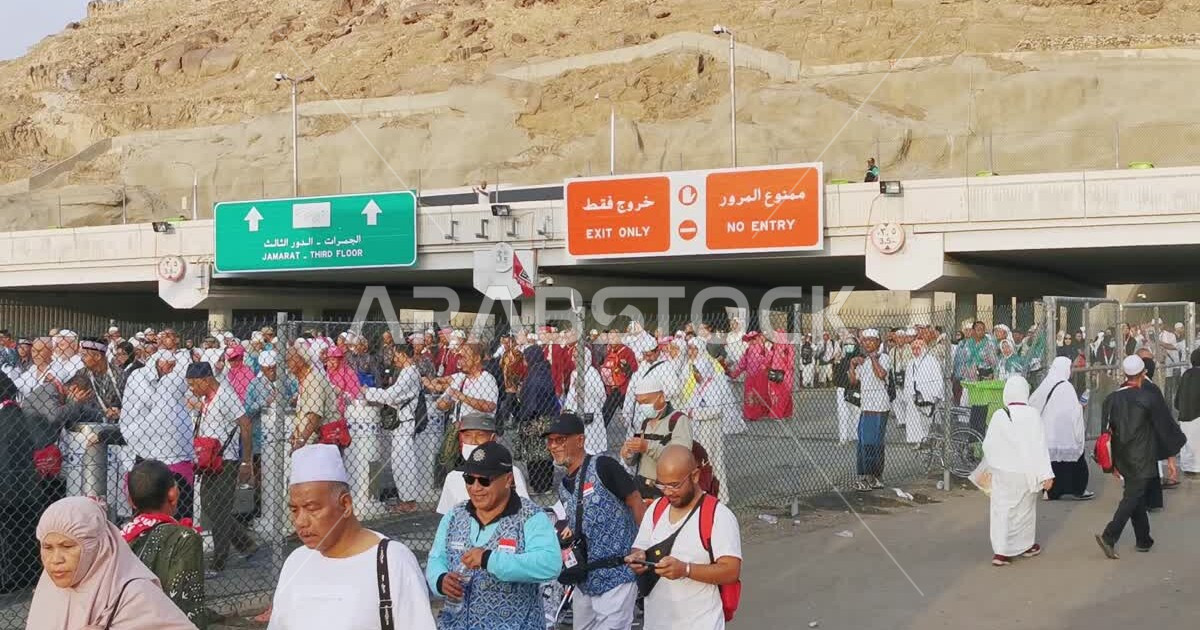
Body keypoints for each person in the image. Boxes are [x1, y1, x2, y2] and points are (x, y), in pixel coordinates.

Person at [268, 445, 436, 630]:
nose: (300, 521)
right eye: (294, 510)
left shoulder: (390, 560)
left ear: (345, 504)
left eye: (312, 508)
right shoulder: (296, 562)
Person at [426, 442, 561, 630]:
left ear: (508, 480)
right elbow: (436, 558)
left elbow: (550, 564)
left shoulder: (530, 516)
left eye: (484, 481)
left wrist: (490, 559)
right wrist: (440, 580)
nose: (475, 487)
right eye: (469, 479)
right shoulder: (455, 515)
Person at [26, 497, 196, 630]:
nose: (55, 559)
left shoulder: (134, 595)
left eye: (68, 546)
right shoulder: (49, 590)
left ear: (96, 547)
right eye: (47, 547)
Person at [625, 445, 742, 630]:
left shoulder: (718, 516)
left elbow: (731, 571)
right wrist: (639, 558)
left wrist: (685, 570)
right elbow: (640, 546)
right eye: (661, 484)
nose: (667, 491)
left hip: (701, 623)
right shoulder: (656, 509)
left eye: (674, 485)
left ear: (694, 476)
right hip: (656, 622)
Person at [545, 413, 644, 629]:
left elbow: (635, 500)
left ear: (580, 440)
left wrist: (643, 545)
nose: (553, 446)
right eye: (550, 441)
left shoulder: (603, 466)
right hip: (585, 579)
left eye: (560, 440)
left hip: (616, 574)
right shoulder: (563, 486)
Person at [1095, 356, 1186, 559]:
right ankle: (1110, 535)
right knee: (1133, 496)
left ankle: (1143, 539)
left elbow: (1105, 432)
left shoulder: (1111, 399)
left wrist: (1111, 463)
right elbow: (1165, 429)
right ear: (1143, 374)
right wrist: (1171, 460)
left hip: (1121, 457)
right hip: (1143, 457)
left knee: (1134, 494)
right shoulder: (1149, 398)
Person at [185, 361, 257, 576]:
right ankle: (245, 544)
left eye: (193, 384)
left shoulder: (226, 395)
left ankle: (219, 561)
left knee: (221, 507)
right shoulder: (207, 399)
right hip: (209, 459)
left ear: (206, 380)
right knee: (209, 504)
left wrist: (246, 461)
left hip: (226, 459)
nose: (192, 389)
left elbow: (245, 424)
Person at [122, 459, 206, 629]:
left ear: (130, 501)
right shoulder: (184, 538)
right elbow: (187, 607)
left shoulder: (120, 536)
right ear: (173, 495)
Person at [980, 376, 1055, 566]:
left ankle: (1001, 552)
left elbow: (988, 445)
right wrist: (1047, 474)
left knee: (1001, 510)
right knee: (1025, 511)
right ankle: (1025, 546)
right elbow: (1040, 445)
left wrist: (994, 465)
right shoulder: (1033, 414)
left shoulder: (999, 414)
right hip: (1026, 473)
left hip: (1003, 473)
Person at [1, 370, 63, 594]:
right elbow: (44, 438)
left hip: (6, 490)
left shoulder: (7, 417)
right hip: (27, 488)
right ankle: (25, 576)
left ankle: (9, 578)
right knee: (23, 533)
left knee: (8, 537)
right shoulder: (23, 415)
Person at [120, 350, 196, 521]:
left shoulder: (176, 407)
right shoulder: (139, 378)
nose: (170, 369)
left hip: (162, 462)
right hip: (148, 456)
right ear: (158, 363)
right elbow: (134, 413)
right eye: (168, 365)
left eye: (173, 366)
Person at [360, 344, 426, 513]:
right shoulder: (408, 372)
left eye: (396, 355)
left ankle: (408, 501)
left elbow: (392, 395)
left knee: (403, 462)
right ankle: (406, 499)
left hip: (405, 422)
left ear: (403, 354)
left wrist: (369, 392)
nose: (394, 358)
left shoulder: (410, 373)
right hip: (402, 422)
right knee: (400, 462)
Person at [683, 338, 743, 504]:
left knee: (715, 462)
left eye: (697, 372)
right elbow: (691, 405)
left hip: (711, 430)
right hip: (701, 430)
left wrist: (695, 414)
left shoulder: (713, 386)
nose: (695, 375)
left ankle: (721, 496)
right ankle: (709, 494)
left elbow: (716, 410)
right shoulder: (699, 387)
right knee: (704, 463)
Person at [437, 413, 531, 515]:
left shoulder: (511, 471)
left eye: (480, 435)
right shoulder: (453, 477)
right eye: (467, 436)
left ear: (493, 438)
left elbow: (525, 511)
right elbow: (446, 517)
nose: (473, 441)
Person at [622, 370, 693, 499]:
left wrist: (647, 447)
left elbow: (680, 459)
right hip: (643, 485)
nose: (643, 407)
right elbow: (634, 461)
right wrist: (628, 453)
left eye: (646, 402)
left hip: (665, 489)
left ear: (661, 397)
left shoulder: (678, 420)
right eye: (639, 403)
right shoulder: (645, 423)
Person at [1029, 357, 1092, 501]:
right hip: (1066, 436)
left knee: (1052, 465)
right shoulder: (1066, 386)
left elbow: (1033, 403)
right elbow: (1074, 412)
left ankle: (1050, 492)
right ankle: (1078, 490)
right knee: (1075, 463)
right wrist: (1081, 406)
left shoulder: (1046, 384)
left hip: (1048, 435)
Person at [849, 329, 892, 492]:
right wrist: (852, 365)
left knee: (871, 442)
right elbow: (853, 381)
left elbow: (881, 374)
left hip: (879, 407)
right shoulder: (864, 360)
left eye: (871, 340)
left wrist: (874, 359)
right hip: (866, 406)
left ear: (878, 342)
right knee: (864, 441)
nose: (867, 343)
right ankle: (868, 476)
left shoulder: (884, 358)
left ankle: (871, 476)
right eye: (865, 340)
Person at [514, 344, 560, 493]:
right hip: (549, 417)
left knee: (535, 454)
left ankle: (539, 486)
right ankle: (546, 485)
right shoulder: (543, 370)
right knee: (546, 453)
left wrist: (524, 417)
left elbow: (531, 402)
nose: (524, 362)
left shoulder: (535, 375)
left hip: (536, 419)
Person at [286, 348, 339, 451]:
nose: (286, 363)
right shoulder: (306, 380)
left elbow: (314, 416)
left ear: (300, 361)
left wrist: (301, 441)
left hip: (319, 442)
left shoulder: (314, 380)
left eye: (289, 359)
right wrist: (296, 432)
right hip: (312, 442)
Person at [565, 347, 609, 455]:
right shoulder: (574, 374)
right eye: (574, 357)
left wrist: (586, 394)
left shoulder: (592, 373)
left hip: (590, 416)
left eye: (577, 357)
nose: (574, 360)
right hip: (575, 414)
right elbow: (570, 394)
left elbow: (601, 397)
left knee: (592, 448)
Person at [904, 339, 944, 445]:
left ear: (923, 349)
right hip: (915, 397)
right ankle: (918, 442)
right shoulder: (910, 363)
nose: (915, 351)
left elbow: (938, 379)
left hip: (929, 397)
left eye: (918, 348)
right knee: (914, 421)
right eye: (913, 349)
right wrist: (910, 395)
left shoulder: (931, 360)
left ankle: (929, 442)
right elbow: (908, 381)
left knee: (929, 422)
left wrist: (935, 396)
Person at [727, 331, 769, 422]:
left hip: (759, 376)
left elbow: (767, 361)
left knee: (758, 393)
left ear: (757, 338)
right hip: (752, 376)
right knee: (751, 394)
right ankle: (752, 413)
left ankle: (756, 413)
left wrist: (735, 373)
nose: (751, 341)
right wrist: (735, 373)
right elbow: (742, 363)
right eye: (750, 339)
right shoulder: (749, 350)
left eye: (753, 339)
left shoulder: (763, 349)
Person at [1174, 348, 1200, 476]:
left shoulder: (1186, 374)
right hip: (1197, 417)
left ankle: (1188, 467)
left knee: (1187, 445)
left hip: (1184, 416)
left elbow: (1177, 400)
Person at [832, 330, 860, 444]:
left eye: (851, 345)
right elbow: (836, 376)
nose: (849, 347)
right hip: (842, 388)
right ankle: (844, 438)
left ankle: (855, 436)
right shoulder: (841, 360)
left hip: (855, 388)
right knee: (843, 413)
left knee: (856, 412)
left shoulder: (859, 359)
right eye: (847, 345)